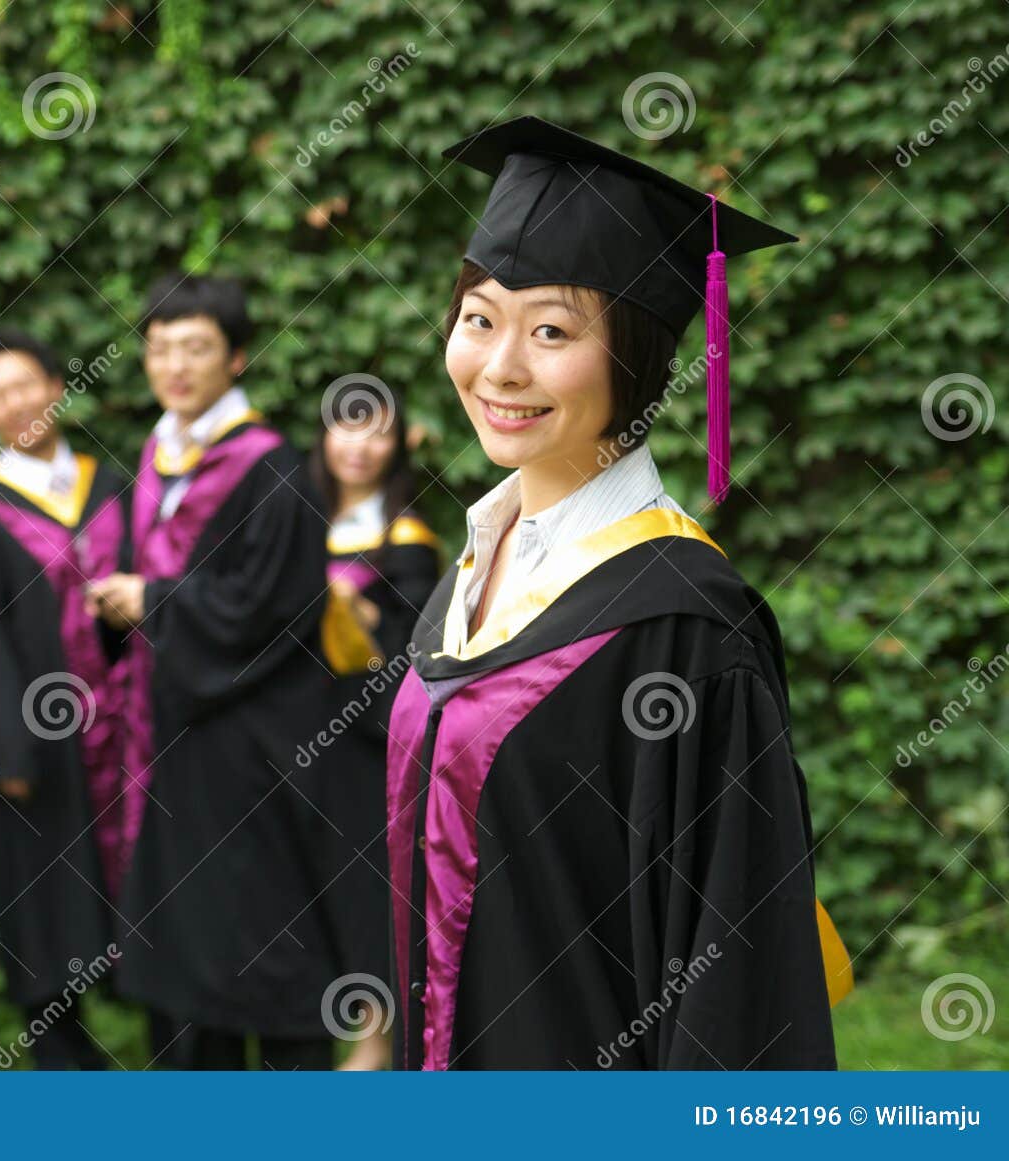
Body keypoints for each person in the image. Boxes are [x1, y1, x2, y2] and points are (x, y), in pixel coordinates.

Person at [385, 116, 851, 1070]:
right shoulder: (473, 568)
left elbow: (737, 979)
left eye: (552, 330)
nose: (502, 365)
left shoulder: (685, 628)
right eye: (480, 318)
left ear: (633, 353)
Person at [86, 274, 343, 1070]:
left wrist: (155, 600)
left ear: (236, 358)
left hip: (250, 749)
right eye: (159, 348)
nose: (174, 365)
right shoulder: (156, 459)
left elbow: (273, 607)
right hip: (169, 739)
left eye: (195, 348)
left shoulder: (272, 470)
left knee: (260, 931)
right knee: (183, 946)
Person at [0, 329, 127, 1070]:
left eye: (26, 383)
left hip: (127, 731)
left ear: (55, 386)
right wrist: (4, 753)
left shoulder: (114, 487)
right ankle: (65, 1059)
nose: (17, 402)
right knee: (45, 904)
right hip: (38, 752)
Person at [308, 380, 441, 1070]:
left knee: (368, 890)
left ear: (398, 447)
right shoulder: (294, 521)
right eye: (346, 426)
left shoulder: (408, 541)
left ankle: (373, 1038)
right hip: (295, 742)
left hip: (365, 746)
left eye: (378, 431)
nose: (358, 446)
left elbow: (418, 656)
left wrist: (362, 625)